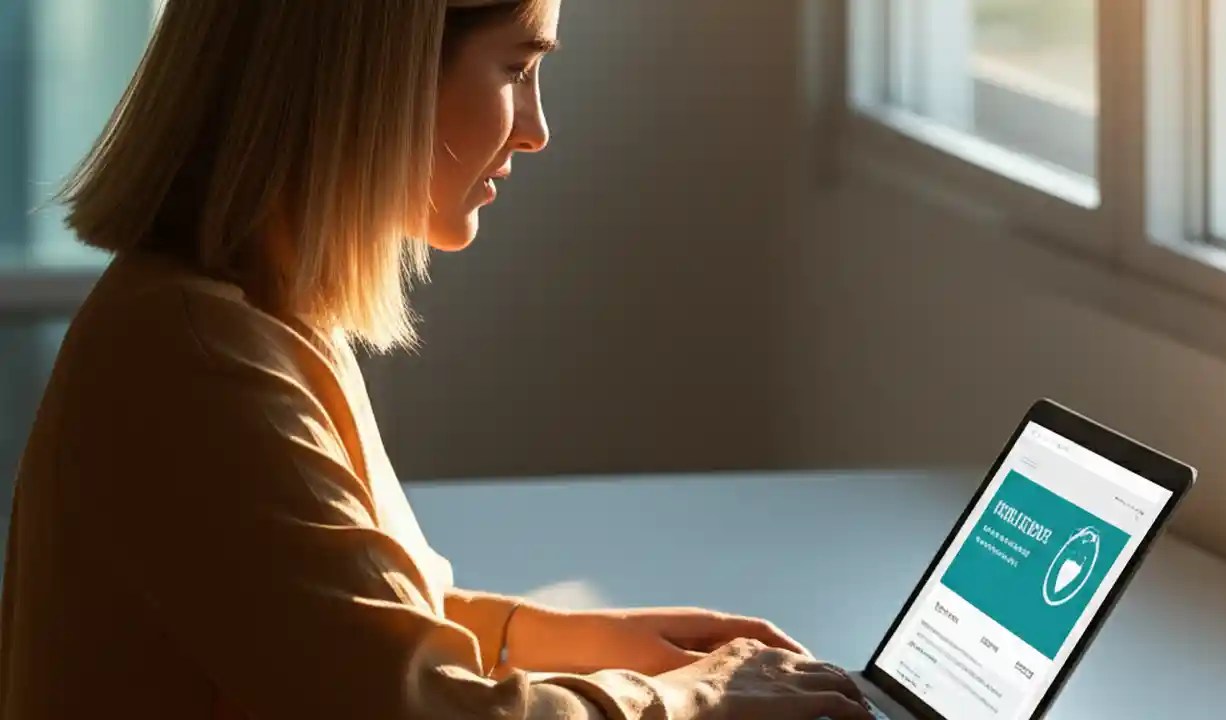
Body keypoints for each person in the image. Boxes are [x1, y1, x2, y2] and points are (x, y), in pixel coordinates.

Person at [0, 2, 872, 719]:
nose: (536, 130)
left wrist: (578, 642)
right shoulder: (199, 361)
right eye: (516, 69)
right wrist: (691, 701)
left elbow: (340, 635)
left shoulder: (249, 314)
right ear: (383, 75)